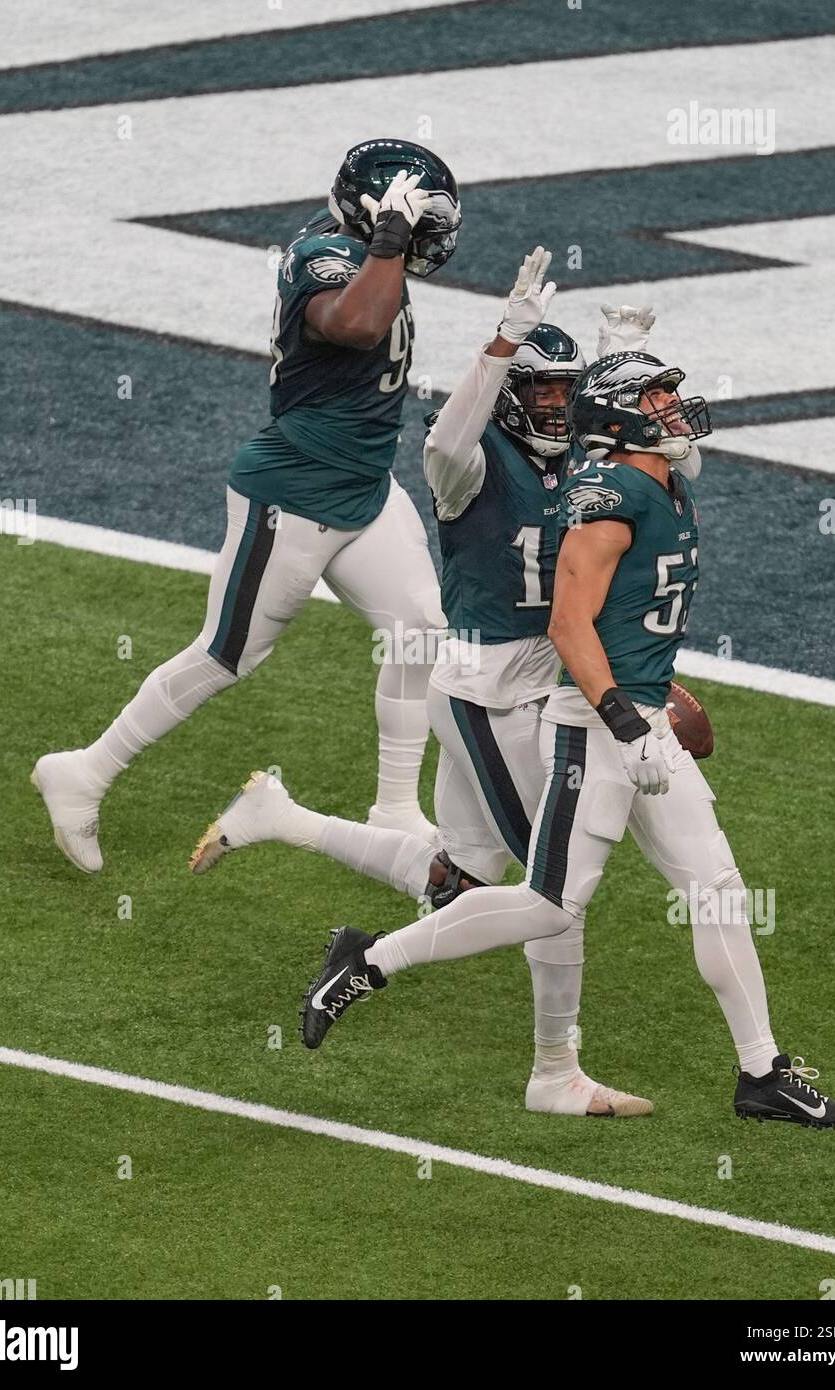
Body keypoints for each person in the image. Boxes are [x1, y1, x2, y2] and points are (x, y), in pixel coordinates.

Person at [297, 338, 835, 1129]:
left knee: (718, 892)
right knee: (548, 905)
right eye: (657, 401)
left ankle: (761, 1072)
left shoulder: (654, 481)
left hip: (642, 718)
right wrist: (625, 721)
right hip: (595, 729)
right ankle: (372, 959)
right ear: (624, 424)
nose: (675, 412)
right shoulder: (609, 500)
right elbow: (569, 625)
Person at [191, 253, 658, 1117]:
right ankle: (547, 1068)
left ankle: (280, 818)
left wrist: (611, 347)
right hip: (487, 691)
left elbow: (631, 431)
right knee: (555, 896)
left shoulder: (576, 456)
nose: (557, 405)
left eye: (566, 392)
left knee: (466, 879)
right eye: (541, 391)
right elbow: (443, 438)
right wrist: (501, 340)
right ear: (510, 393)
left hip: (528, 687)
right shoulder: (472, 464)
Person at [32, 139, 461, 871]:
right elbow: (352, 325)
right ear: (375, 215)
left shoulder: (368, 253)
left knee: (420, 628)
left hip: (361, 484)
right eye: (415, 222)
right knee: (227, 654)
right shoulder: (323, 253)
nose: (428, 238)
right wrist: (389, 240)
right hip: (293, 491)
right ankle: (82, 773)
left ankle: (393, 804)